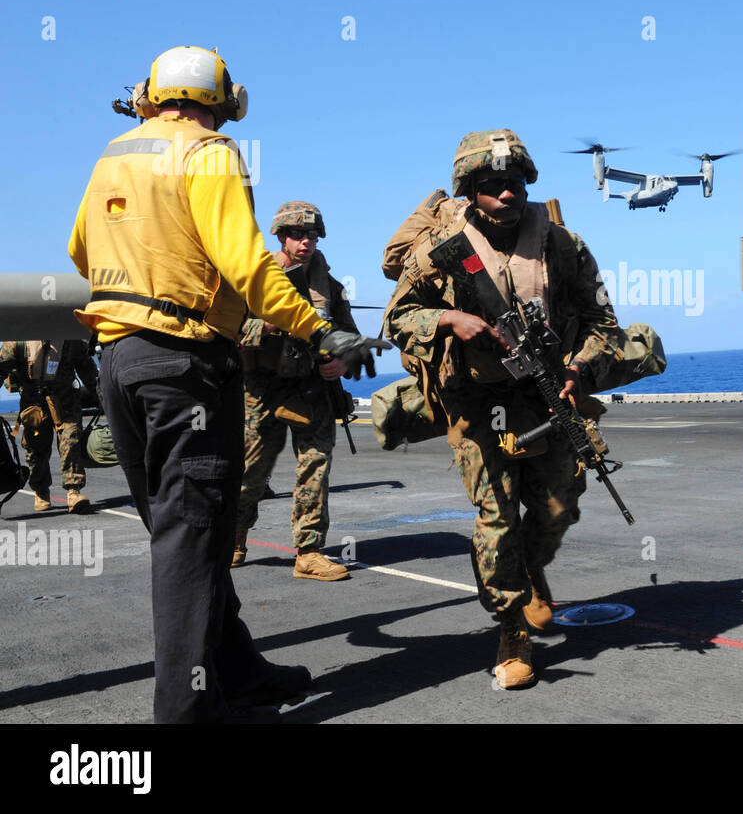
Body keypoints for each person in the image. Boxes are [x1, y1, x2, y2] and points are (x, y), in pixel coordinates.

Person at [68, 45, 384, 722]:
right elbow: (245, 262)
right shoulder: (208, 151)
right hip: (185, 365)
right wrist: (312, 327)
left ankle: (237, 670)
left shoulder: (113, 153)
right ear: (221, 102)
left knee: (190, 530)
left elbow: (79, 249)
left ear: (154, 92)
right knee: (187, 543)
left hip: (118, 359)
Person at [383, 129, 622, 689]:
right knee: (497, 521)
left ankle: (531, 570)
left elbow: (602, 324)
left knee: (560, 508)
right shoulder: (442, 250)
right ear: (469, 190)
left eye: (515, 184)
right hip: (476, 399)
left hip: (546, 395)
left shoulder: (561, 244)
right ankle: (511, 628)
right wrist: (449, 320)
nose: (507, 195)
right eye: (492, 186)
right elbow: (397, 318)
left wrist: (578, 367)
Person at [233, 201, 357, 580]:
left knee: (315, 469)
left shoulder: (329, 288)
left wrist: (341, 362)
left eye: (312, 235)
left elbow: (348, 339)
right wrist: (266, 326)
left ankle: (309, 552)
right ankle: (234, 539)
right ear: (281, 238)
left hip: (312, 390)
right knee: (250, 473)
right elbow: (227, 333)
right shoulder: (256, 280)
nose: (305, 242)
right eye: (297, 235)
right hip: (262, 391)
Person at [0, 339, 97, 513]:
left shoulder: (69, 338)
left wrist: (103, 397)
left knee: (71, 440)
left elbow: (87, 369)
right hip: (34, 402)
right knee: (35, 446)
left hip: (65, 397)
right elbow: (1, 368)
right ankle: (40, 490)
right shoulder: (18, 341)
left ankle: (73, 492)